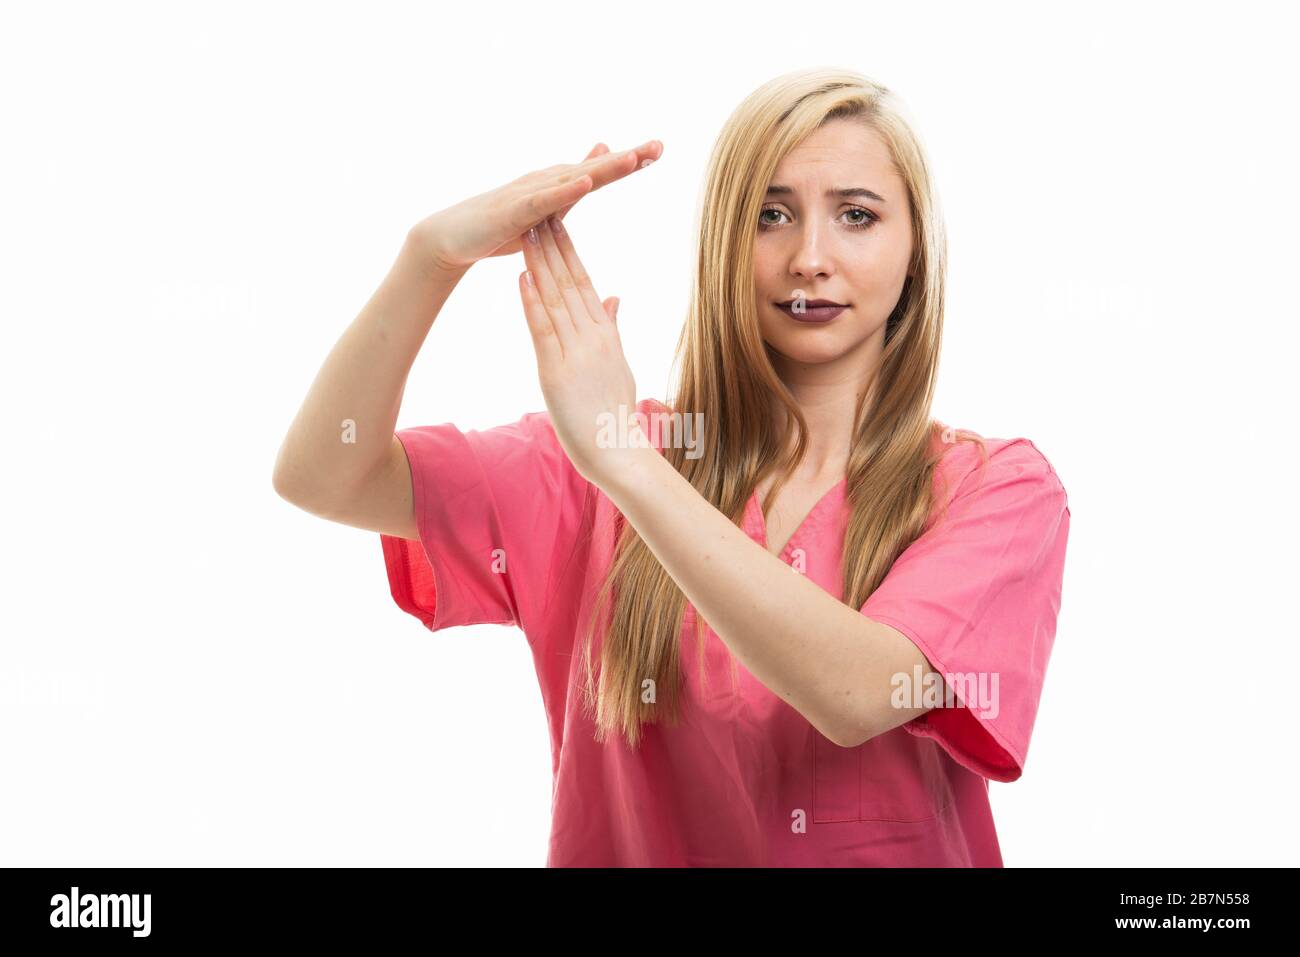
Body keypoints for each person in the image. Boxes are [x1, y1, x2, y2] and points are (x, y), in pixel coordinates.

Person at [273, 67, 1071, 867]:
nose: (809, 258)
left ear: (914, 256)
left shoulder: (997, 489)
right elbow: (323, 472)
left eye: (857, 217)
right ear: (725, 245)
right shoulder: (592, 464)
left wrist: (627, 465)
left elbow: (858, 693)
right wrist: (430, 258)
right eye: (771, 216)